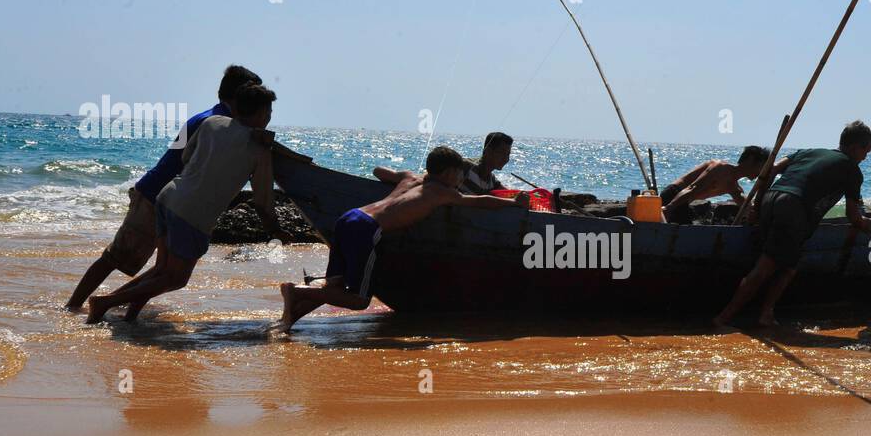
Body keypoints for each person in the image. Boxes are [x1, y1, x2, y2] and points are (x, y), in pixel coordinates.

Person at [66, 65, 262, 309]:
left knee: (161, 270)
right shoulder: (216, 123)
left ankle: (108, 304)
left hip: (160, 192)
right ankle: (75, 306)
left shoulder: (204, 118)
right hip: (155, 195)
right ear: (241, 96)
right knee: (116, 258)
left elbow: (178, 155)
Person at [274, 146, 529, 332]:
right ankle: (295, 290)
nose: (460, 180)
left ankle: (287, 322)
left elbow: (378, 171)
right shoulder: (442, 191)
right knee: (360, 301)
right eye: (459, 174)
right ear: (449, 173)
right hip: (367, 229)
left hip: (349, 217)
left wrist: (399, 179)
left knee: (334, 285)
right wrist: (511, 201)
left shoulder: (409, 177)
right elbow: (478, 202)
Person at [713, 120, 871, 329]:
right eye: (866, 152)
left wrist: (758, 204)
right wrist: (864, 223)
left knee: (789, 267)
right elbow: (852, 215)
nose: (865, 157)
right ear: (856, 147)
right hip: (793, 207)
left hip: (772, 198)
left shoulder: (808, 151)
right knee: (764, 267)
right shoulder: (852, 169)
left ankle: (766, 314)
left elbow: (770, 171)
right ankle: (723, 318)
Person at [659, 145, 769, 224]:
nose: (762, 171)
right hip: (673, 195)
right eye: (762, 166)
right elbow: (692, 188)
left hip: (683, 204)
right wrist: (669, 208)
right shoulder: (720, 168)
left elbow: (747, 207)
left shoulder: (733, 187)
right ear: (750, 160)